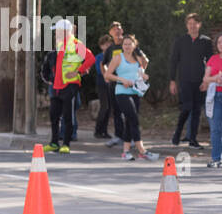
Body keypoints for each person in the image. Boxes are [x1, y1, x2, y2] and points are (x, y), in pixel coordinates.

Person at [104, 35, 157, 161]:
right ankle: (142, 150)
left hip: (135, 92)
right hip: (121, 92)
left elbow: (141, 70)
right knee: (133, 118)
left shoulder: (138, 58)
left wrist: (143, 76)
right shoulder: (118, 58)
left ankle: (126, 152)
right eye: (125, 44)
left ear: (134, 45)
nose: (127, 46)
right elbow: (107, 75)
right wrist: (121, 79)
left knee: (129, 121)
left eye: (129, 44)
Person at [47, 18, 95, 153]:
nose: (55, 33)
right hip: (57, 85)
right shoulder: (59, 44)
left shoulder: (75, 44)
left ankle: (66, 144)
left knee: (67, 116)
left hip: (69, 85)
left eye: (57, 31)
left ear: (64, 31)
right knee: (54, 115)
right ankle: (54, 142)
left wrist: (77, 71)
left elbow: (91, 58)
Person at [170, 13, 212, 148]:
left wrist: (207, 81)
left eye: (195, 23)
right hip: (185, 80)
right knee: (187, 107)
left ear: (199, 24)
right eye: (190, 23)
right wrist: (172, 80)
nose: (192, 26)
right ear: (186, 25)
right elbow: (173, 61)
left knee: (197, 110)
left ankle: (192, 139)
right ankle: (177, 132)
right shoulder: (180, 41)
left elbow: (210, 62)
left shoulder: (206, 41)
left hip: (200, 81)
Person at [200, 32, 222, 167]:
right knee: (215, 129)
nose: (221, 44)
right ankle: (216, 159)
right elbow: (206, 78)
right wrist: (216, 79)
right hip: (215, 97)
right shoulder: (213, 59)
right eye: (219, 42)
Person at [95, 23, 126, 146]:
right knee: (117, 111)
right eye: (114, 30)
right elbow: (103, 63)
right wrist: (106, 76)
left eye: (118, 29)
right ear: (110, 33)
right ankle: (119, 136)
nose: (117, 31)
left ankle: (131, 137)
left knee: (128, 111)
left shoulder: (128, 44)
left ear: (122, 30)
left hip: (127, 83)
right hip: (114, 84)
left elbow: (141, 59)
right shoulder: (110, 49)